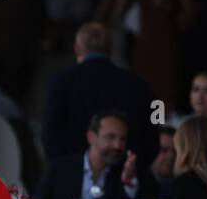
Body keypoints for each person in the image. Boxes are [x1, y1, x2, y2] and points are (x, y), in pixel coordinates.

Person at [41, 20, 157, 168]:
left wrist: (64, 173)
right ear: (110, 50)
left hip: (72, 177)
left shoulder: (59, 82)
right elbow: (151, 138)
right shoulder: (139, 85)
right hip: (122, 178)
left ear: (77, 49)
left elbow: (49, 133)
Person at [34, 109, 156, 199]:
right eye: (110, 137)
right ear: (91, 137)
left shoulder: (127, 172)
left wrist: (129, 183)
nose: (117, 145)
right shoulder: (60, 169)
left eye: (122, 139)